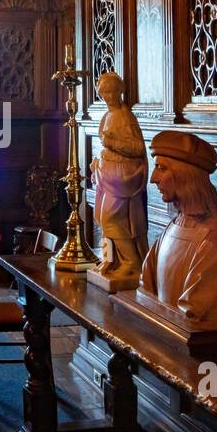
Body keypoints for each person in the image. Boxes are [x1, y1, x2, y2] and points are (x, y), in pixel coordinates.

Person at [138, 130, 217, 330]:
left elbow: (200, 320)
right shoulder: (174, 226)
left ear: (185, 175)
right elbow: (146, 289)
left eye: (162, 168)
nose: (153, 178)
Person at [89, 72, 148, 284]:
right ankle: (110, 260)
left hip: (122, 175)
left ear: (119, 91)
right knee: (100, 216)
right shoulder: (107, 116)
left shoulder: (125, 116)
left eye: (111, 91)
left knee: (112, 218)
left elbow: (137, 148)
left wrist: (112, 144)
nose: (107, 96)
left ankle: (131, 263)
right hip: (108, 173)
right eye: (103, 93)